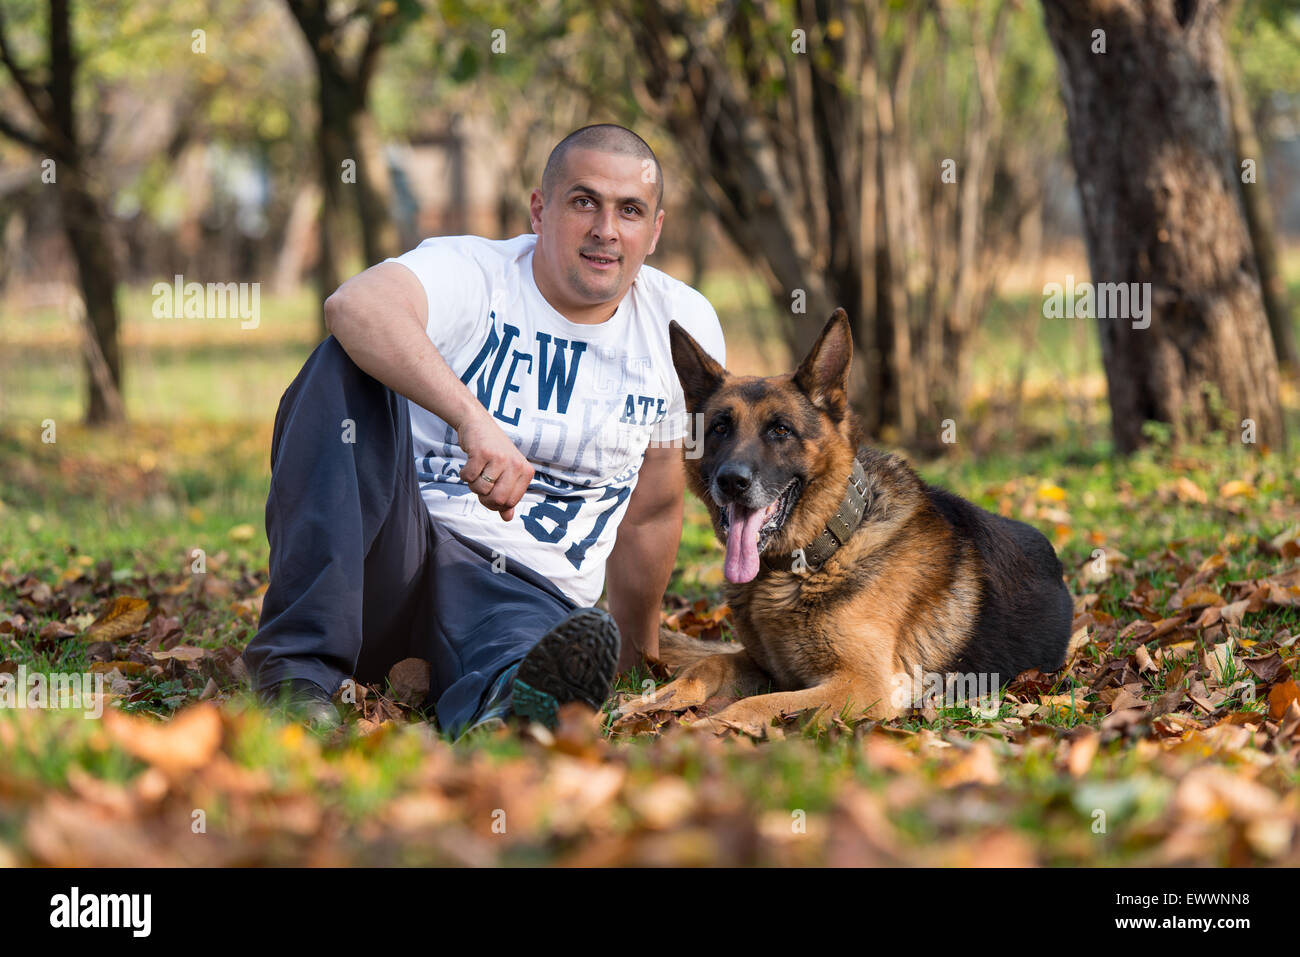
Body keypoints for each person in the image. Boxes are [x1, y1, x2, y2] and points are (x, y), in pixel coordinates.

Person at [241, 124, 726, 738]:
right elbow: (355, 305)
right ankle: (297, 675)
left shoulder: (682, 323)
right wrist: (472, 419)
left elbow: (653, 509)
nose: (606, 229)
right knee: (342, 363)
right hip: (390, 563)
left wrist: (640, 653)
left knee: (531, 650)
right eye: (584, 202)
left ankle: (510, 710)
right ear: (539, 210)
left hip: (524, 593)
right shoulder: (474, 271)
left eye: (629, 210)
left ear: (654, 231)